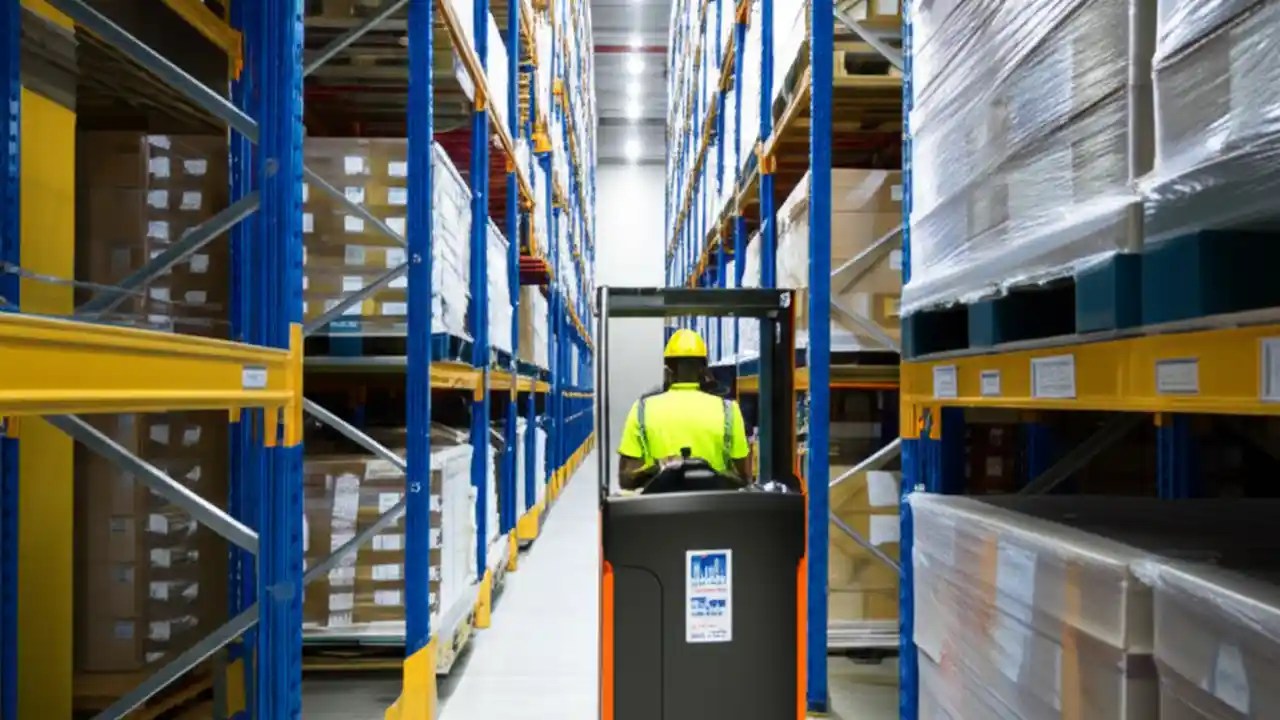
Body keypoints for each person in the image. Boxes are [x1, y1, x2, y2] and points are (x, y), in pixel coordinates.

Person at [617, 328, 751, 490]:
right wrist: (709, 471)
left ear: (667, 371)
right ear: (703, 371)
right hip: (715, 508)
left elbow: (626, 479)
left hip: (657, 509)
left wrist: (660, 467)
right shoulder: (728, 410)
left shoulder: (642, 409)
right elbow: (744, 478)